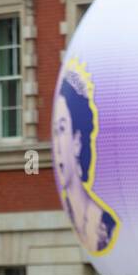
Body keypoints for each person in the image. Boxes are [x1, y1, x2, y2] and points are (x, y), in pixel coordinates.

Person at [52, 63, 120, 255]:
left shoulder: (103, 226)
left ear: (77, 141)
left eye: (63, 129)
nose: (57, 149)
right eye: (54, 131)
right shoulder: (74, 217)